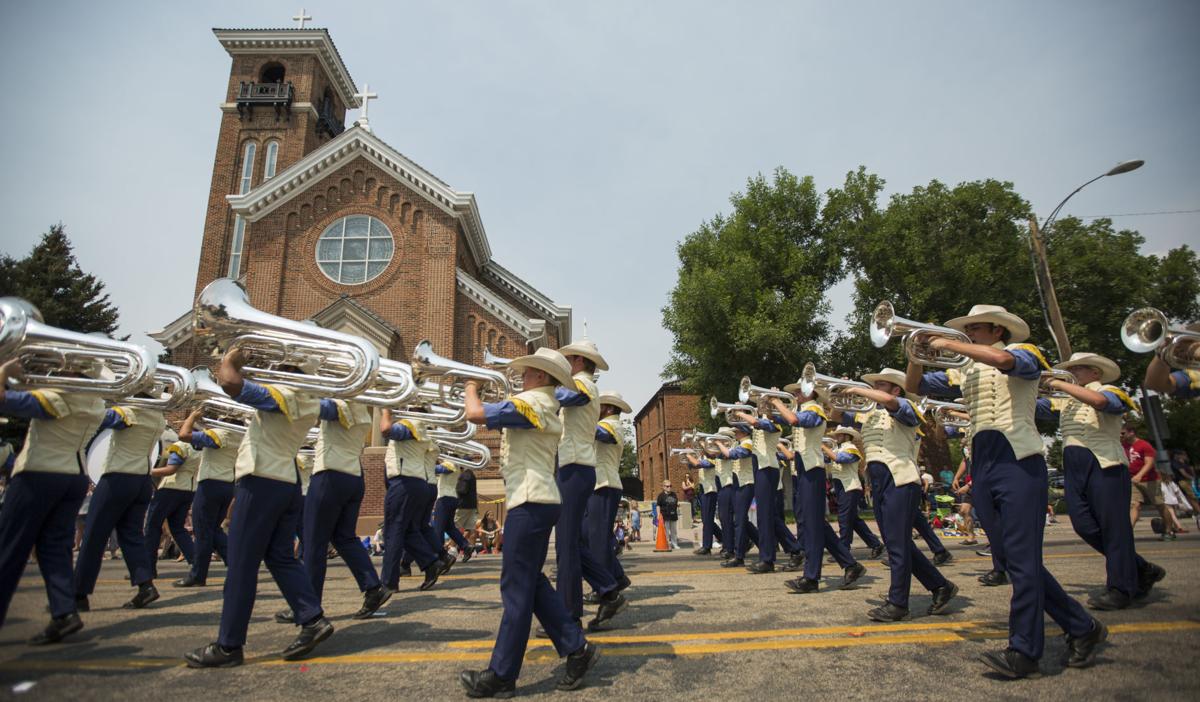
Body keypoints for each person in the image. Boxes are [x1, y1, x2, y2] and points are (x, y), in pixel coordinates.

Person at [907, 304, 1105, 678]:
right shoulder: (964, 368)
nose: (967, 334)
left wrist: (948, 344)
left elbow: (1003, 361)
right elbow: (914, 386)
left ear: (997, 330)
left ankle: (1024, 652)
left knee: (1023, 560)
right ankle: (1082, 626)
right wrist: (916, 352)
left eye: (975, 328)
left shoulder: (1022, 351)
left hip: (1019, 459)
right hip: (984, 462)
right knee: (1015, 561)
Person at [458, 347, 599, 697]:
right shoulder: (541, 401)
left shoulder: (533, 402)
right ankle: (576, 647)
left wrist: (471, 385)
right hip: (537, 499)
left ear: (541, 375)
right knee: (531, 584)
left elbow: (474, 413)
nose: (520, 377)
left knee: (516, 591)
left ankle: (502, 675)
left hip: (530, 501)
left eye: (526, 372)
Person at [184, 348, 334, 668]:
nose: (274, 367)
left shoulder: (284, 394)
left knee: (241, 564)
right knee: (280, 557)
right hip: (286, 482)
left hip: (262, 480)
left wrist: (230, 360)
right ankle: (312, 618)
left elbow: (231, 384)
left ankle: (229, 645)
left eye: (280, 364)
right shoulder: (310, 399)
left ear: (290, 369)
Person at [1036, 352, 1166, 610]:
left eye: (1079, 369)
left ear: (1096, 372)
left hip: (1105, 463)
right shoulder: (1066, 400)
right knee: (1083, 525)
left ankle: (1121, 588)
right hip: (1074, 466)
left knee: (1114, 528)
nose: (1073, 373)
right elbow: (1034, 407)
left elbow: (1101, 402)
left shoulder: (1110, 390)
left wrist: (1058, 383)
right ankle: (1140, 567)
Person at [832, 369, 958, 622]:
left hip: (900, 478)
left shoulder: (907, 406)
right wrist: (837, 393)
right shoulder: (868, 413)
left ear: (896, 389)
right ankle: (940, 585)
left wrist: (858, 390)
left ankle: (898, 603)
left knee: (897, 545)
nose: (874, 389)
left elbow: (891, 403)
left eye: (881, 385)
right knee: (896, 542)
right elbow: (835, 416)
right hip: (878, 480)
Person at [0, 358, 105, 644]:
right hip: (75, 476)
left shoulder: (57, 397)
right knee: (55, 548)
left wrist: (3, 371)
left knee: (9, 547)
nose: (56, 371)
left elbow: (5, 401)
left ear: (72, 371)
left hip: (40, 472)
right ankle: (64, 611)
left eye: (61, 367)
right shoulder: (96, 403)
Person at [275, 397, 388, 624]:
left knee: (313, 543)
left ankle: (308, 606)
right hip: (353, 477)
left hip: (329, 475)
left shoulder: (341, 405)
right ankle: (373, 587)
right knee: (345, 538)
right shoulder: (364, 414)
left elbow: (314, 407)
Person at [551, 340, 623, 628]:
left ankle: (568, 615)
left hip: (576, 467)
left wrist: (540, 387)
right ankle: (608, 589)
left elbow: (563, 398)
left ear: (580, 360)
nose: (564, 364)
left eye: (568, 359)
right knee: (572, 541)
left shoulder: (583, 384)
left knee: (567, 545)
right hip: (574, 466)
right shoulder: (579, 383)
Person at [74, 398, 166, 612]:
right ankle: (146, 586)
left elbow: (99, 417)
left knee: (94, 535)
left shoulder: (128, 412)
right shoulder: (159, 417)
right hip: (142, 480)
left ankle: (78, 594)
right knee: (132, 536)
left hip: (118, 477)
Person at [772, 386, 864, 593]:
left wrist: (777, 402)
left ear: (812, 393)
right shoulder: (802, 409)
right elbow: (778, 419)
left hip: (812, 469)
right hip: (804, 468)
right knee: (814, 523)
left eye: (800, 391)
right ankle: (850, 564)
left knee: (812, 525)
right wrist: (768, 405)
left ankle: (811, 577)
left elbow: (793, 420)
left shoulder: (815, 410)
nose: (795, 394)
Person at [379, 407, 454, 592]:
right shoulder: (422, 431)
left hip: (405, 482)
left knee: (394, 532)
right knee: (410, 530)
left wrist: (386, 411)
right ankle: (431, 563)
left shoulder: (409, 425)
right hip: (419, 483)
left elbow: (386, 429)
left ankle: (389, 582)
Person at [174, 408, 239, 588]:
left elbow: (183, 435)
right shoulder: (239, 435)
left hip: (210, 484)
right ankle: (237, 566)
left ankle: (198, 575)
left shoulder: (219, 434)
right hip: (227, 485)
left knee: (202, 531)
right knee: (214, 531)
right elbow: (197, 443)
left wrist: (193, 416)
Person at [590, 392, 632, 591]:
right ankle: (617, 576)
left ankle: (605, 586)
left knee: (597, 540)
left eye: (599, 406)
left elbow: (600, 434)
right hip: (603, 483)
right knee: (598, 537)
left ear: (607, 408)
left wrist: (581, 417)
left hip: (604, 483)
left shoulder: (611, 424)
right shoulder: (608, 423)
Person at [822, 426, 884, 558]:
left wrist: (823, 447)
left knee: (844, 519)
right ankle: (875, 544)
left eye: (839, 435)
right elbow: (827, 459)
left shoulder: (851, 448)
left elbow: (840, 459)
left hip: (850, 487)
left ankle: (844, 549)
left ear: (846, 436)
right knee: (854, 520)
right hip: (841, 487)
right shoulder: (837, 449)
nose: (836, 437)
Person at [145, 435, 198, 577]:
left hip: (171, 487)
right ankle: (197, 564)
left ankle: (147, 569)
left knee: (152, 526)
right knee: (177, 528)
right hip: (189, 489)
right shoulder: (200, 448)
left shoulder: (180, 446)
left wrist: (146, 471)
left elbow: (171, 469)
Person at [1122, 423, 1179, 540]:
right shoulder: (1124, 446)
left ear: (1131, 432)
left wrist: (1140, 475)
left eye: (1123, 433)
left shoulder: (1144, 445)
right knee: (1134, 505)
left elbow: (1149, 463)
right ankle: (1127, 534)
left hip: (1150, 480)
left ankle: (1169, 530)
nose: (1121, 436)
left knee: (1160, 505)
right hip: (1133, 480)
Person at [434, 459, 475, 560]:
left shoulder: (450, 463)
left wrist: (426, 460)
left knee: (438, 528)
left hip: (445, 498)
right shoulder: (455, 464)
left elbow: (437, 469)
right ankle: (465, 546)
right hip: (451, 498)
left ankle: (440, 555)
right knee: (449, 527)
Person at [686, 451, 721, 555]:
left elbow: (698, 464)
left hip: (710, 489)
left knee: (707, 519)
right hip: (704, 489)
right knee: (706, 520)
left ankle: (707, 546)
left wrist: (689, 456)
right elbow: (692, 466)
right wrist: (688, 460)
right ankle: (723, 538)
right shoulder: (703, 457)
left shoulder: (712, 457)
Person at [455, 466, 479, 548]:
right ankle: (472, 548)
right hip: (473, 505)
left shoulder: (464, 475)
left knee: (456, 527)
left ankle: (452, 548)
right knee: (471, 528)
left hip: (463, 505)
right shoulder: (472, 475)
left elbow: (462, 490)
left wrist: (455, 489)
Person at [655, 480, 680, 549]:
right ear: (663, 487)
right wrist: (658, 514)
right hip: (665, 515)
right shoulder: (661, 495)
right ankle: (667, 544)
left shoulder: (674, 494)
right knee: (666, 531)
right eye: (667, 486)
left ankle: (674, 544)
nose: (669, 487)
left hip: (673, 515)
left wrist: (677, 505)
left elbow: (676, 502)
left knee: (674, 531)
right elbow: (658, 505)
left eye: (670, 486)